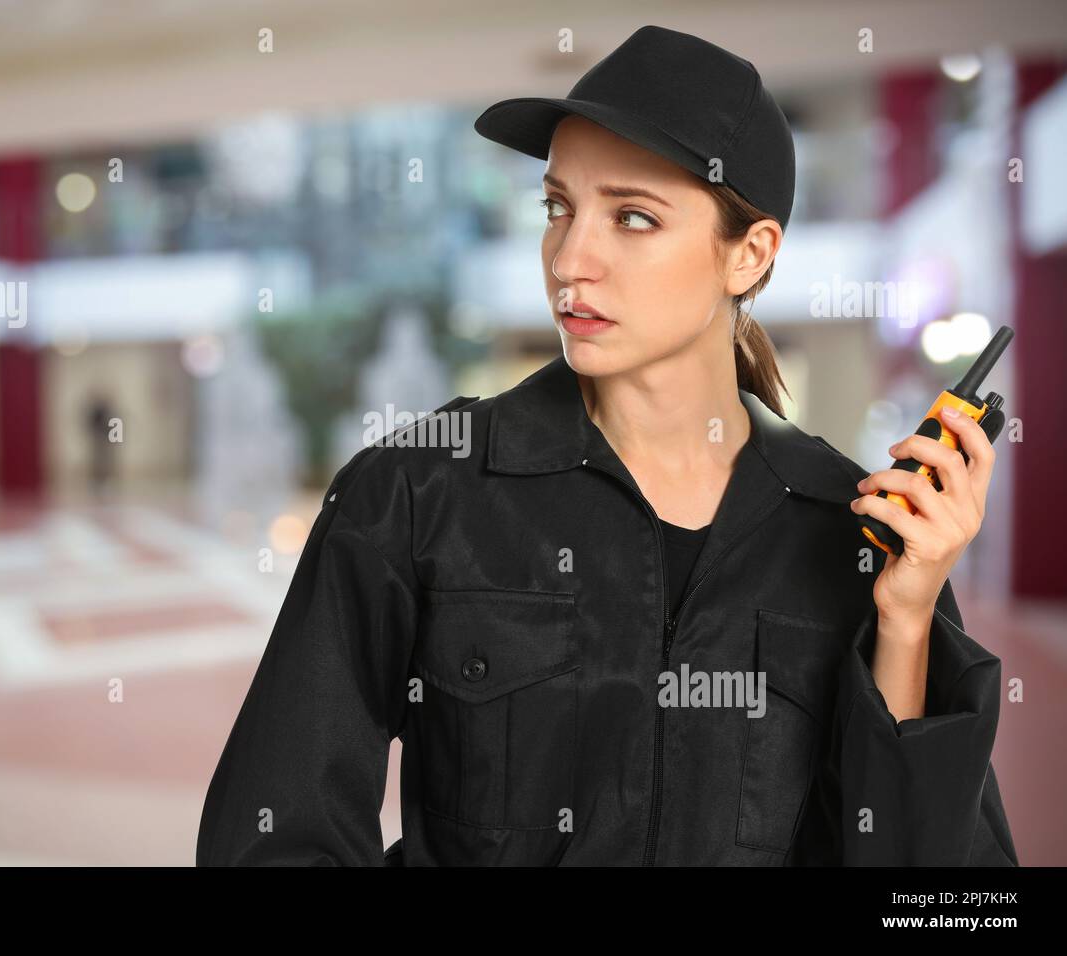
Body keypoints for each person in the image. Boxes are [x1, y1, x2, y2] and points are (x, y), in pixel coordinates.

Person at [195, 25, 1018, 866]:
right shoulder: (413, 496)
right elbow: (269, 835)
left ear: (750, 254)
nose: (569, 259)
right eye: (558, 207)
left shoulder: (853, 532)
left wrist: (907, 621)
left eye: (632, 216)